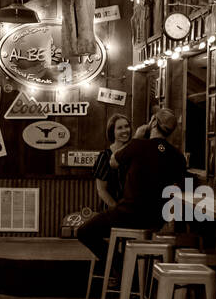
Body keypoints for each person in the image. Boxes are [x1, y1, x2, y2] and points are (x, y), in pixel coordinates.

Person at [76, 108, 187, 264]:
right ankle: (130, 268)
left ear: (153, 122)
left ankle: (121, 266)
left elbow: (113, 162)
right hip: (157, 220)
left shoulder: (138, 145)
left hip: (129, 215)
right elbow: (180, 185)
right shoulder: (177, 156)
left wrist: (137, 137)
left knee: (84, 232)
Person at [93, 113, 131, 209]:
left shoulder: (134, 152)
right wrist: (117, 208)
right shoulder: (105, 156)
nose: (125, 130)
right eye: (119, 128)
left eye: (127, 126)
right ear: (112, 132)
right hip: (112, 210)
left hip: (133, 211)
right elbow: (101, 189)